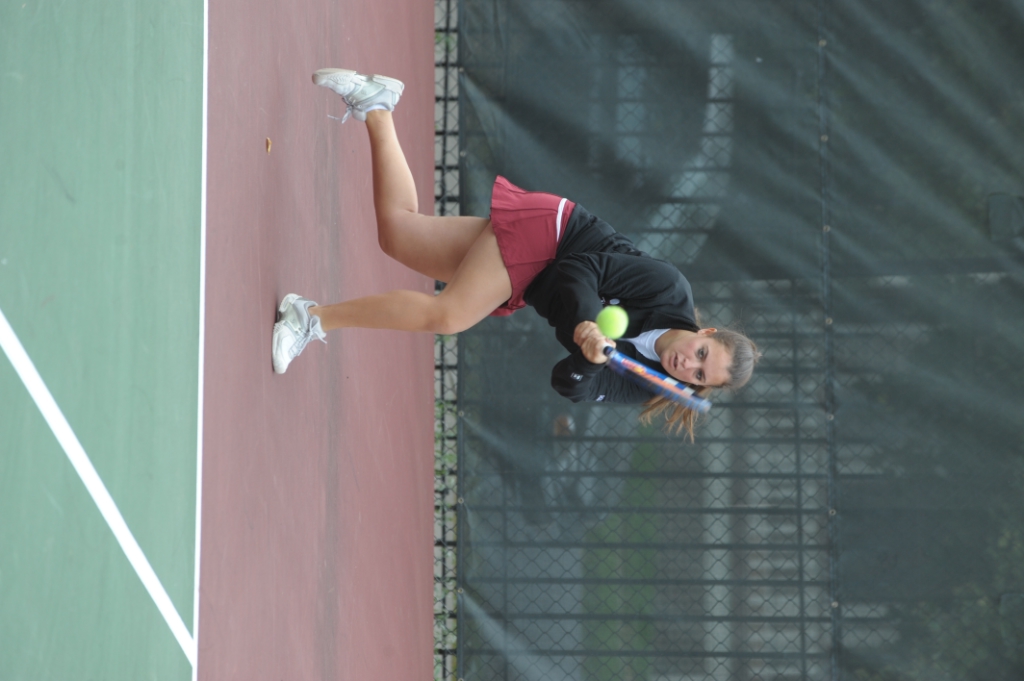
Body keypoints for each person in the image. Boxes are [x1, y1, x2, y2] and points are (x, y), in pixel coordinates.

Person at [273, 68, 760, 438]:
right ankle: (310, 318)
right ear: (706, 332)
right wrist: (586, 324)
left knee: (398, 235)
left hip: (534, 280)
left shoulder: (652, 381)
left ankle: (377, 106)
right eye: (701, 354)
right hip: (555, 235)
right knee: (448, 316)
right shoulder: (668, 289)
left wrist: (590, 360)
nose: (688, 367)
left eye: (701, 375)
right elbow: (580, 270)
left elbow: (571, 386)